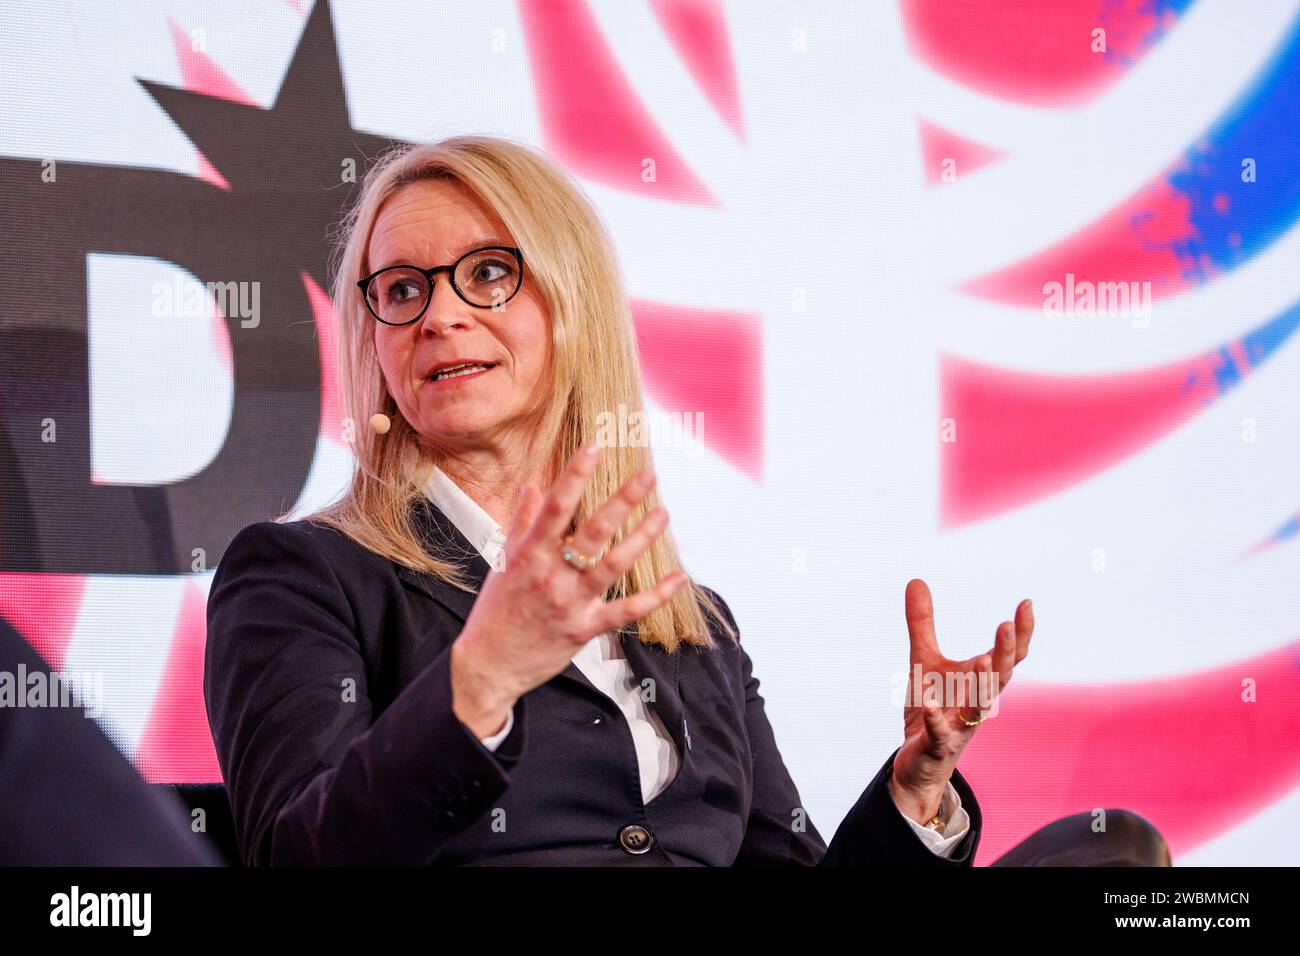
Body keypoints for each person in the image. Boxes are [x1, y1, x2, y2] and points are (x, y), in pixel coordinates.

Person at [203, 135, 1163, 866]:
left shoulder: (694, 627)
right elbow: (295, 857)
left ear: (572, 306)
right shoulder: (299, 578)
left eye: (488, 273)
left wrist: (917, 787)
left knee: (1115, 854)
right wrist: (481, 678)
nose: (441, 313)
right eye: (402, 289)